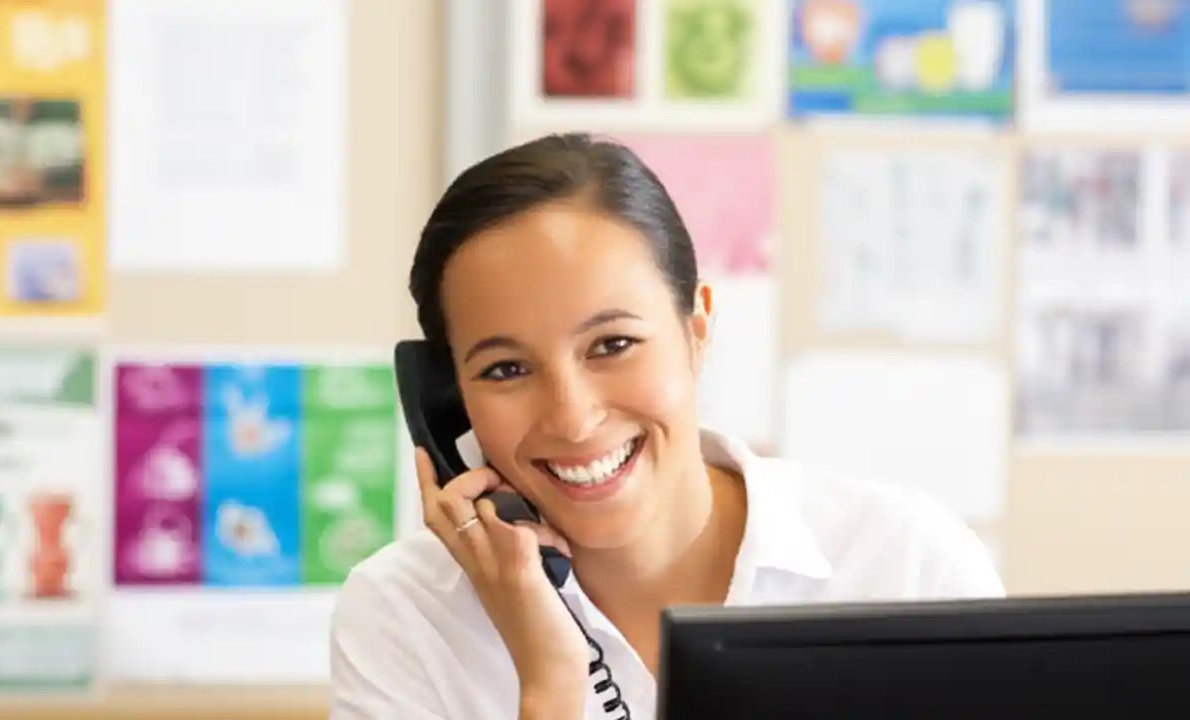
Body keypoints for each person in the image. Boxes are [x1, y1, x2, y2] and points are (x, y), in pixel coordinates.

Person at [328, 133, 1004, 720]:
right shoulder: (406, 615)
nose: (572, 417)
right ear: (450, 399)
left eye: (613, 345)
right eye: (506, 370)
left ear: (696, 328)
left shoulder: (905, 566)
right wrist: (550, 679)